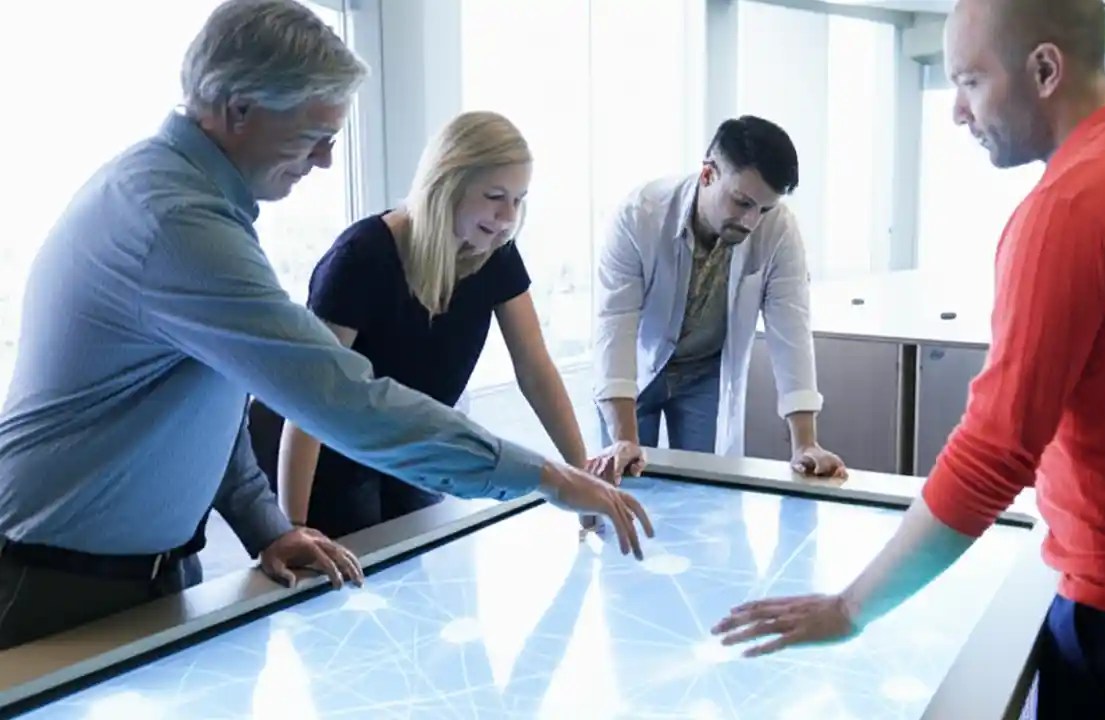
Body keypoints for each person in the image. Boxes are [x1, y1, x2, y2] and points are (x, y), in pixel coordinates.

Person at [0, 0, 651, 651]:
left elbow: (206, 396)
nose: (325, 162)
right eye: (315, 136)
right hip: (54, 579)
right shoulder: (174, 221)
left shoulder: (194, 202)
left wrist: (266, 526)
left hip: (154, 570)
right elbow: (343, 399)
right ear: (239, 110)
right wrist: (548, 477)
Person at [710, 0, 1105, 717]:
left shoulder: (1072, 203)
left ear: (1044, 69)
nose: (956, 111)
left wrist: (849, 608)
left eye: (971, 81)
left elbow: (993, 453)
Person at [276, 110, 641, 539]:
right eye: (494, 196)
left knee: (418, 573)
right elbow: (308, 401)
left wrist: (583, 480)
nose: (507, 216)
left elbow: (535, 368)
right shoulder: (360, 259)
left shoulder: (496, 254)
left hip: (420, 451)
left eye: (518, 200)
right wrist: (292, 527)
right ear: (449, 184)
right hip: (338, 456)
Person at [593, 116, 846, 477]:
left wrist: (805, 442)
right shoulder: (639, 216)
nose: (751, 222)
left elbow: (791, 331)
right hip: (634, 367)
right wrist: (623, 439)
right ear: (709, 174)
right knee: (625, 480)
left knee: (705, 498)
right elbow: (614, 324)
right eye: (742, 202)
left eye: (764, 209)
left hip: (705, 371)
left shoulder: (779, 230)